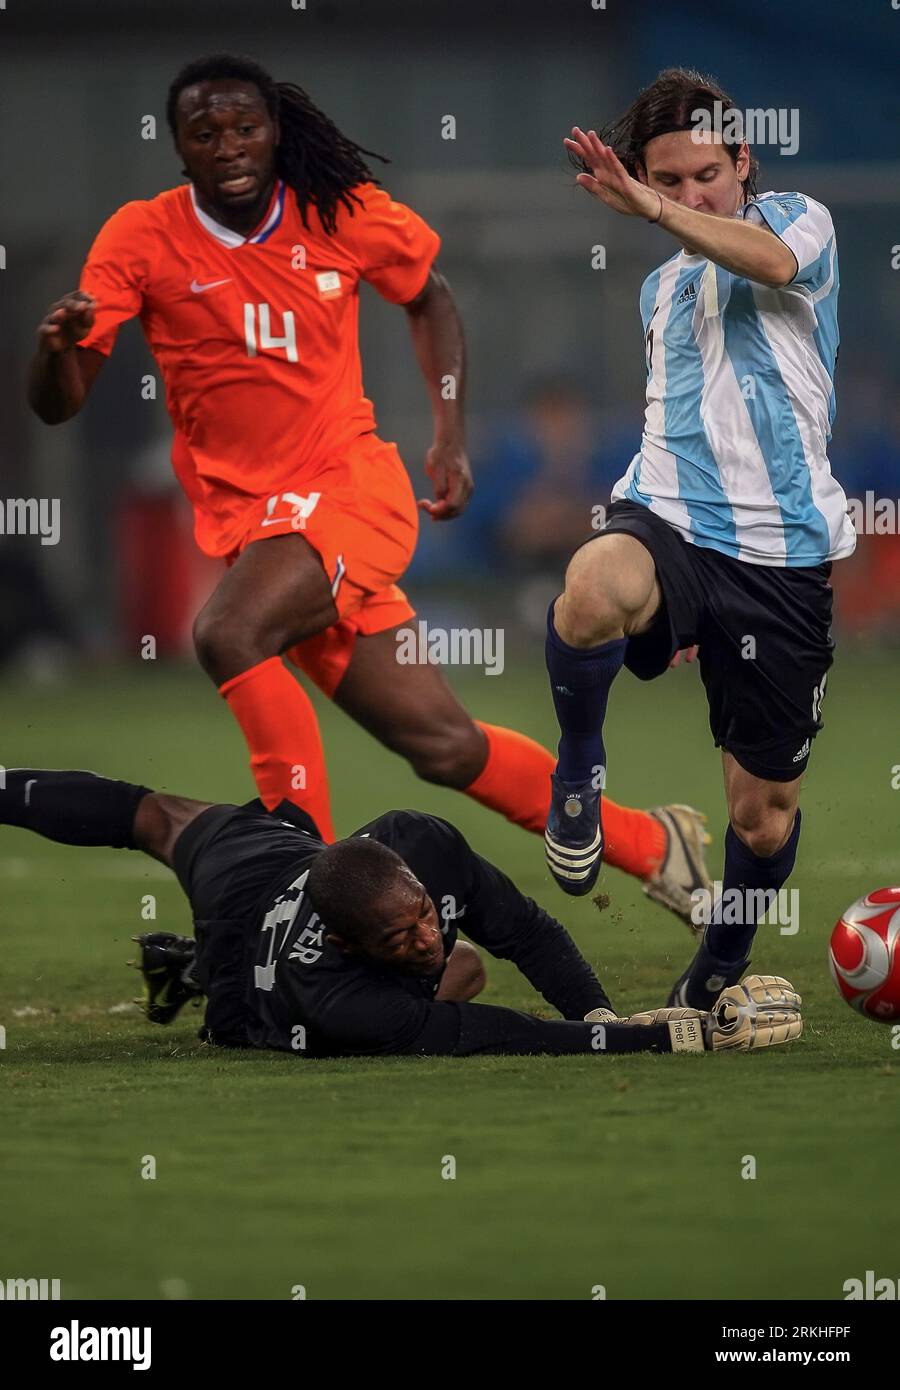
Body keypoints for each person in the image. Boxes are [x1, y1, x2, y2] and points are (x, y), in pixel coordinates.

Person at [28, 51, 708, 924]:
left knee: (231, 633)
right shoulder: (141, 237)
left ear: (275, 131)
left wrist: (449, 433)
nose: (229, 145)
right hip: (263, 535)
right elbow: (59, 404)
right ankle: (657, 847)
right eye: (207, 133)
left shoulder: (334, 210)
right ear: (179, 146)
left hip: (350, 495)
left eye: (245, 127)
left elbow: (429, 297)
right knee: (443, 744)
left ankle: (290, 892)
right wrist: (55, 350)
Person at [542, 69, 855, 1006]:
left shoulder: (803, 224)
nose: (688, 196)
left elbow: (762, 264)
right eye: (665, 182)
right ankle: (578, 773)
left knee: (760, 820)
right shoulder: (658, 292)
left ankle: (716, 970)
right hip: (668, 518)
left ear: (744, 161)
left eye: (705, 176)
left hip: (782, 556)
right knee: (593, 585)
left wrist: (652, 209)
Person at [0, 767, 801, 1058]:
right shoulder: (340, 1002)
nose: (425, 933)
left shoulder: (420, 846)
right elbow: (501, 1036)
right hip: (264, 982)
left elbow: (526, 929)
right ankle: (205, 972)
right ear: (351, 942)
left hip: (274, 867)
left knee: (158, 812)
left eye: (424, 912)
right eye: (401, 935)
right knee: (461, 977)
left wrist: (601, 1011)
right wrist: (648, 1040)